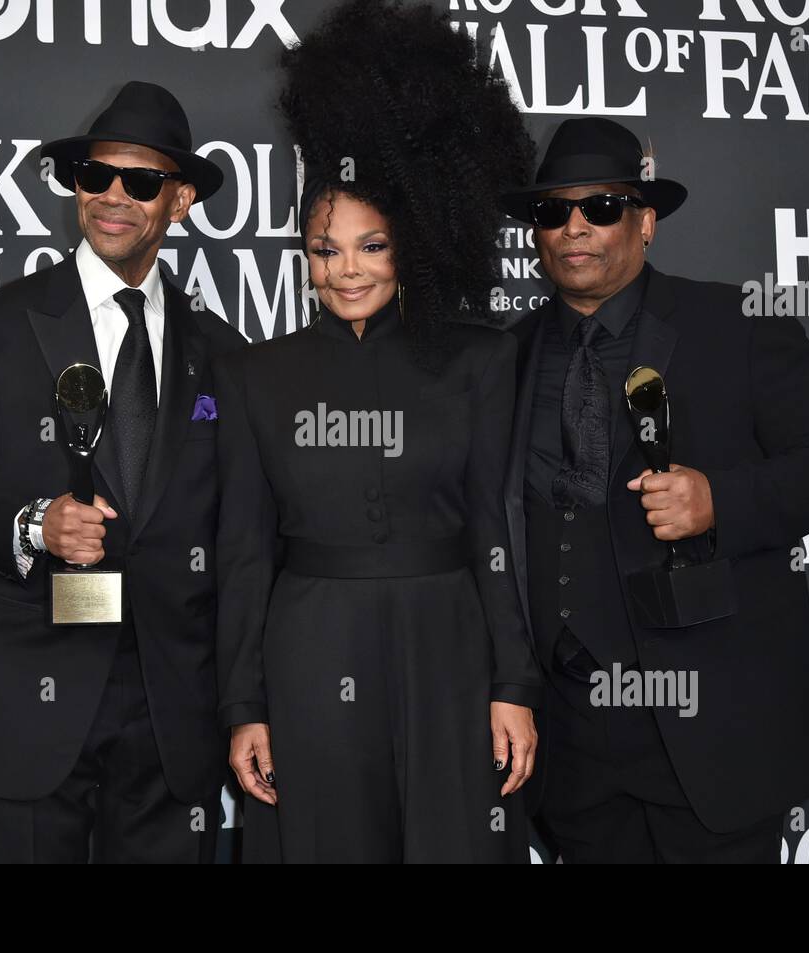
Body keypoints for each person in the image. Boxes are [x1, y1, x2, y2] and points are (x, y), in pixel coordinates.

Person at [212, 0, 542, 863]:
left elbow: (494, 531)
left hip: (447, 643)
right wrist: (245, 704)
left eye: (370, 246)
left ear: (412, 248)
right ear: (304, 255)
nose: (346, 269)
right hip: (311, 648)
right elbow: (245, 552)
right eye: (325, 250)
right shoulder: (256, 375)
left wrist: (512, 683)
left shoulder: (477, 361)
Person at [499, 117, 809, 863]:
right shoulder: (503, 356)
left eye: (601, 207)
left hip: (713, 734)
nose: (574, 228)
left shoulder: (735, 324)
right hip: (572, 744)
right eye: (552, 211)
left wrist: (719, 501)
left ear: (646, 221)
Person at [0, 81, 246, 862]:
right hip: (35, 697)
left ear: (182, 200)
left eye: (141, 181)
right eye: (95, 176)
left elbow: (241, 533)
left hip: (172, 713)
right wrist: (32, 524)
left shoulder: (222, 353)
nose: (111, 198)